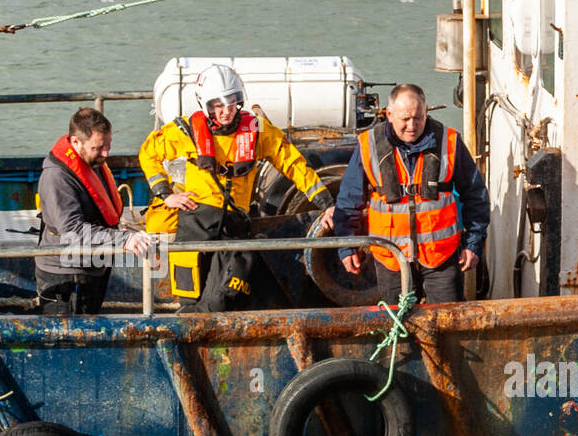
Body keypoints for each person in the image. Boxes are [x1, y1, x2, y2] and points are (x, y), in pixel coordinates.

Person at [139, 64, 335, 311]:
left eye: (232, 103)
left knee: (225, 291)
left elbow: (293, 164)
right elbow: (149, 153)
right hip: (197, 217)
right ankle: (189, 316)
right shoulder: (185, 131)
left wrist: (327, 205)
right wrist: (165, 194)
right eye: (218, 105)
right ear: (205, 104)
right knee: (191, 288)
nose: (226, 111)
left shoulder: (258, 131)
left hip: (234, 222)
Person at [332, 83, 489, 304]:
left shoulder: (450, 141)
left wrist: (474, 244)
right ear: (389, 114)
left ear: (426, 113)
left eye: (418, 118)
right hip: (390, 257)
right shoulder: (369, 145)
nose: (412, 126)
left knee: (449, 324)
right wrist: (346, 246)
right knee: (398, 323)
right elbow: (349, 201)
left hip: (441, 256)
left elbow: (476, 196)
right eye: (405, 119)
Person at [36, 108, 151, 315]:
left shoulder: (92, 160)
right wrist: (124, 239)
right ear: (75, 142)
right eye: (98, 148)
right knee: (68, 341)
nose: (106, 153)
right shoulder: (57, 178)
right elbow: (72, 231)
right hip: (66, 275)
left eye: (108, 145)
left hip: (92, 265)